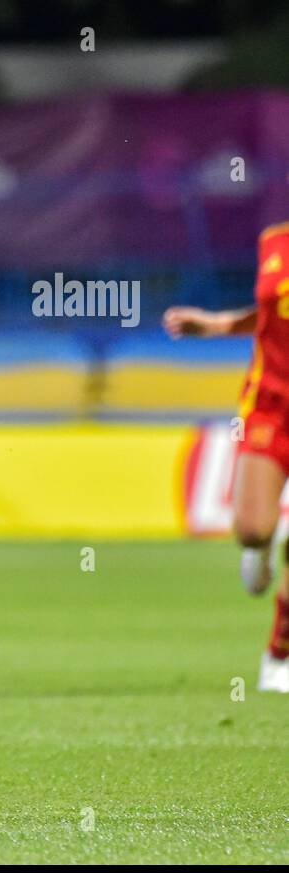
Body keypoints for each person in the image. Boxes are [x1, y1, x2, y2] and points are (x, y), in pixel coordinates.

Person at [164, 220, 289, 691]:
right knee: (253, 529)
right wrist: (218, 325)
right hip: (271, 406)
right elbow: (270, 313)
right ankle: (263, 547)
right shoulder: (274, 241)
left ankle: (278, 656)